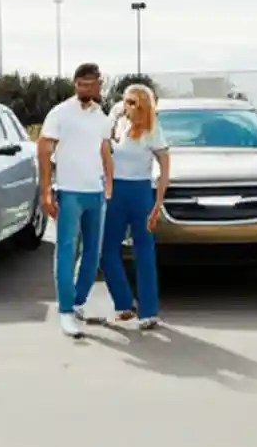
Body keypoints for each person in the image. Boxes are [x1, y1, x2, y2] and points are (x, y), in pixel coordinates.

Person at [37, 63, 114, 339]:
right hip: (69, 192)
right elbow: (44, 150)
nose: (88, 89)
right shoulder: (60, 114)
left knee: (93, 253)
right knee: (67, 249)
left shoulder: (101, 116)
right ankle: (65, 311)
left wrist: (109, 184)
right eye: (83, 84)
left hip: (95, 192)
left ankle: (79, 302)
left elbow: (104, 150)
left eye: (92, 84)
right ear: (76, 84)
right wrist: (46, 190)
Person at [100, 84, 170, 329]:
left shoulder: (153, 129)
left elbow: (165, 167)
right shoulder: (117, 117)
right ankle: (123, 304)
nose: (127, 106)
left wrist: (158, 203)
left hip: (141, 191)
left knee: (145, 250)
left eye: (134, 103)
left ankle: (149, 311)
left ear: (144, 106)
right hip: (115, 191)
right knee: (106, 248)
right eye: (126, 101)